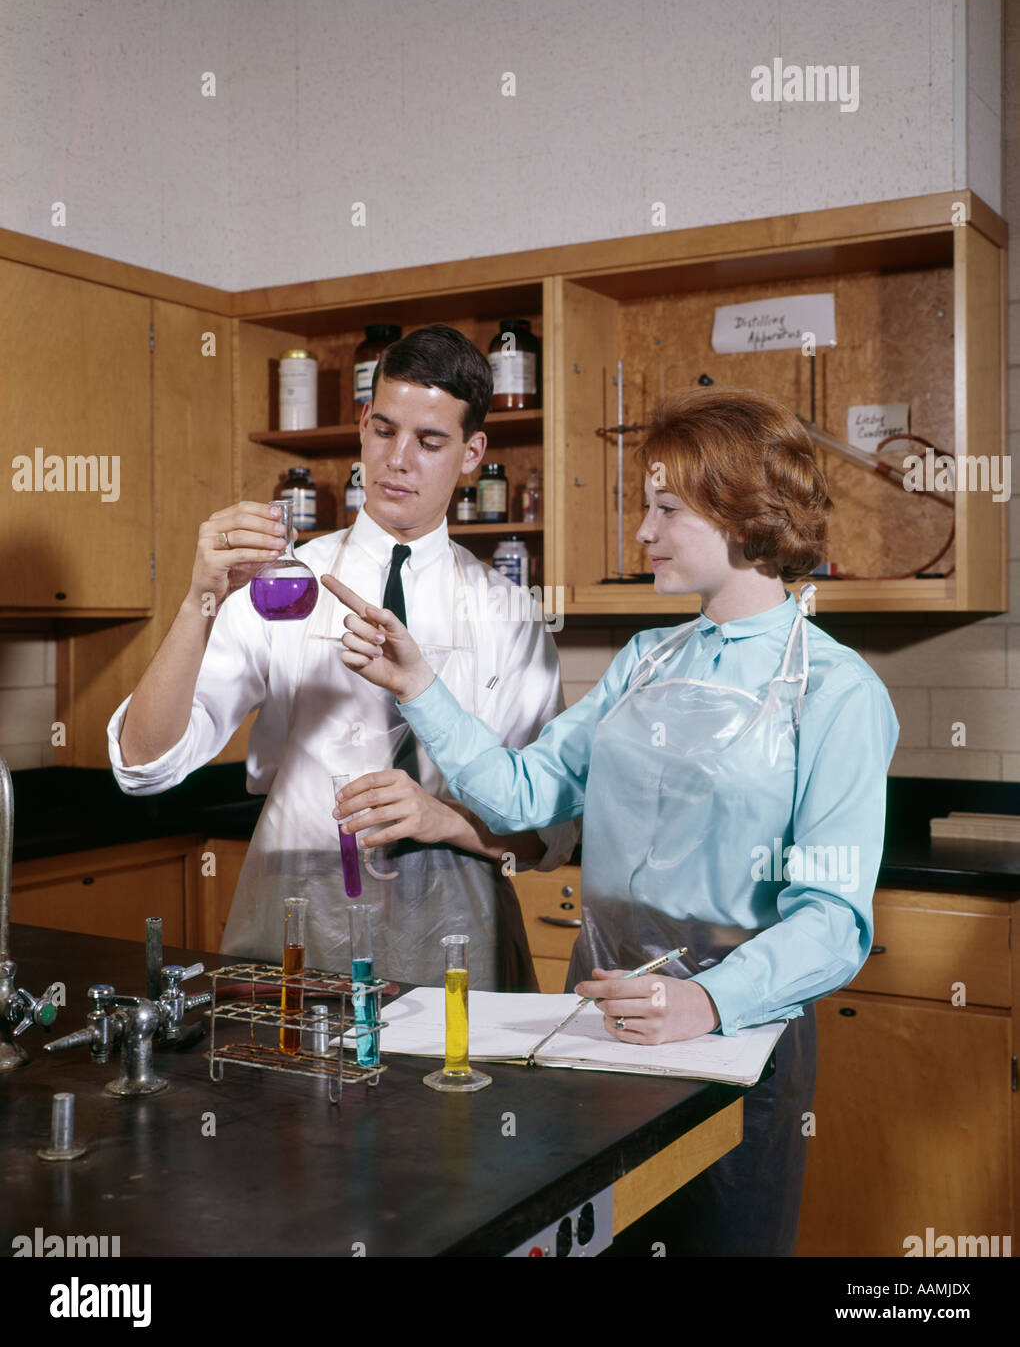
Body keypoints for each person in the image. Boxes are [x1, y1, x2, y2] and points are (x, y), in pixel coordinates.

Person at [327, 386, 899, 1256]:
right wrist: (419, 687)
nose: (642, 532)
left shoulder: (837, 691)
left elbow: (833, 924)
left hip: (735, 1037)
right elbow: (526, 794)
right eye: (647, 506)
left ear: (746, 515)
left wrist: (705, 1002)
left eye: (667, 509)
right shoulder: (646, 659)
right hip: (594, 1025)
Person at [109, 324, 578, 990]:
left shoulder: (509, 615)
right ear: (362, 425)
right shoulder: (279, 586)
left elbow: (549, 839)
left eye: (430, 440)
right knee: (283, 1094)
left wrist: (440, 818)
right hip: (296, 921)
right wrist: (199, 601)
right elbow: (143, 766)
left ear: (473, 452)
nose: (398, 459)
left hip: (456, 929)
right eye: (383, 430)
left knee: (450, 1094)